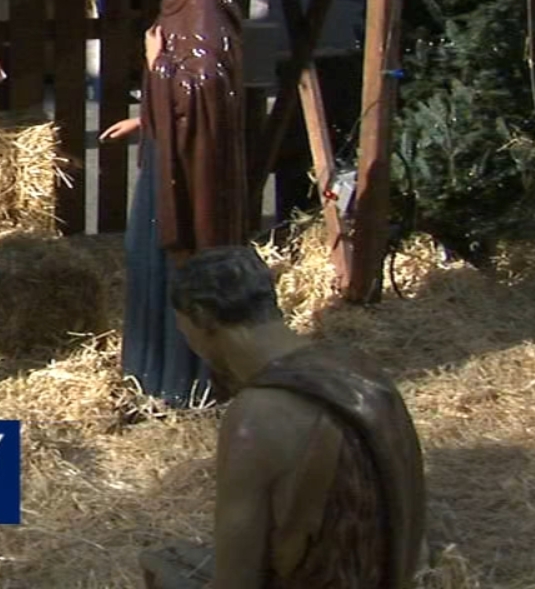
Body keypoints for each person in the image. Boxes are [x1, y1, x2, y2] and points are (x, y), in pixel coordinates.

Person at [165, 247, 427, 587]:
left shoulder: (257, 416)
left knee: (161, 565)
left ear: (203, 318)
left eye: (187, 333)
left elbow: (237, 580)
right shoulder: (361, 369)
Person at [98, 0, 249, 408]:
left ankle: (185, 381)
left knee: (175, 257)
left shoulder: (205, 3)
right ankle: (152, 375)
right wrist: (148, 120)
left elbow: (206, 87)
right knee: (147, 257)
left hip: (190, 167)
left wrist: (155, 65)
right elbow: (190, 91)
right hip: (168, 153)